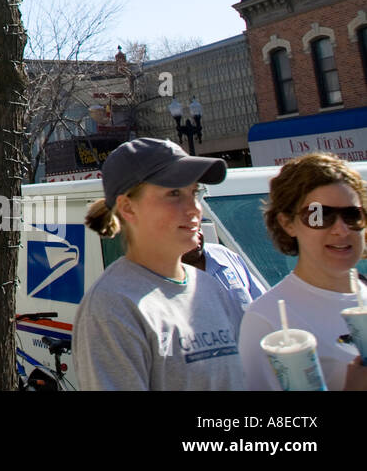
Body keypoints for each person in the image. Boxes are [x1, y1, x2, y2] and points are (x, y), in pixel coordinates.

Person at [73, 138, 244, 390]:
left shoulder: (210, 287)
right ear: (128, 207)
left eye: (194, 192)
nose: (194, 209)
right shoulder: (112, 306)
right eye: (174, 193)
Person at [237, 153, 367, 391]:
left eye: (352, 215)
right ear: (287, 223)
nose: (340, 229)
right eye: (319, 216)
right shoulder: (266, 320)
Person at [182, 229, 268, 315]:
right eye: (186, 229)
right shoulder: (169, 283)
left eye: (198, 227)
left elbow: (264, 305)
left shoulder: (223, 254)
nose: (197, 235)